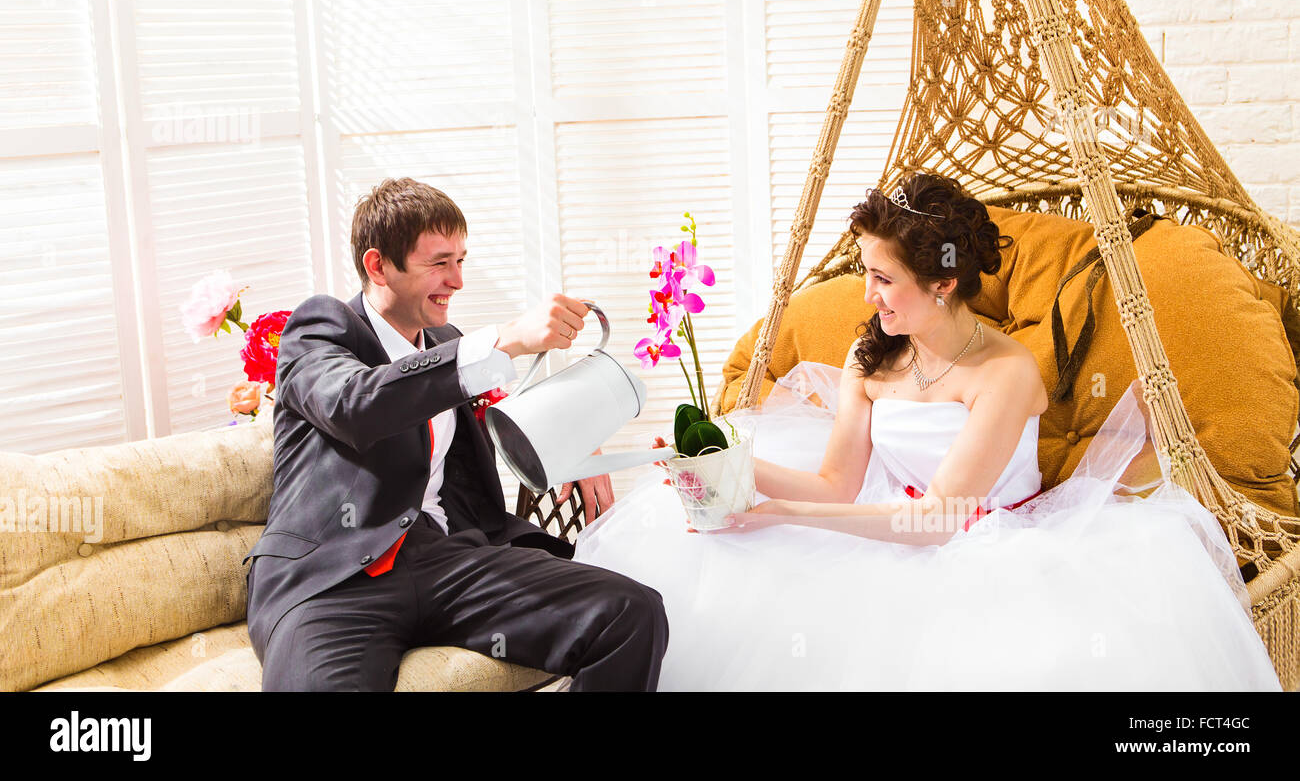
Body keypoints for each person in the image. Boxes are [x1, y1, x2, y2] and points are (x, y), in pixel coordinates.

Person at [573, 172, 1282, 690]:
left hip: (982, 543)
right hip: (879, 523)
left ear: (942, 283)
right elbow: (836, 482)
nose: (866, 294)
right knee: (718, 572)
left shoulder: (1003, 374)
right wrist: (727, 468)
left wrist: (780, 513)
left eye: (883, 278)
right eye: (865, 272)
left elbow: (940, 519)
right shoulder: (869, 355)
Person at [244, 177, 668, 691]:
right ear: (378, 265)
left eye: (461, 261)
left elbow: (490, 410)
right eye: (439, 263)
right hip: (334, 583)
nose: (457, 281)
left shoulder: (447, 341)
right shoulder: (321, 329)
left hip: (447, 559)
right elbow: (356, 405)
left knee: (632, 613)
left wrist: (573, 438)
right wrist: (507, 339)